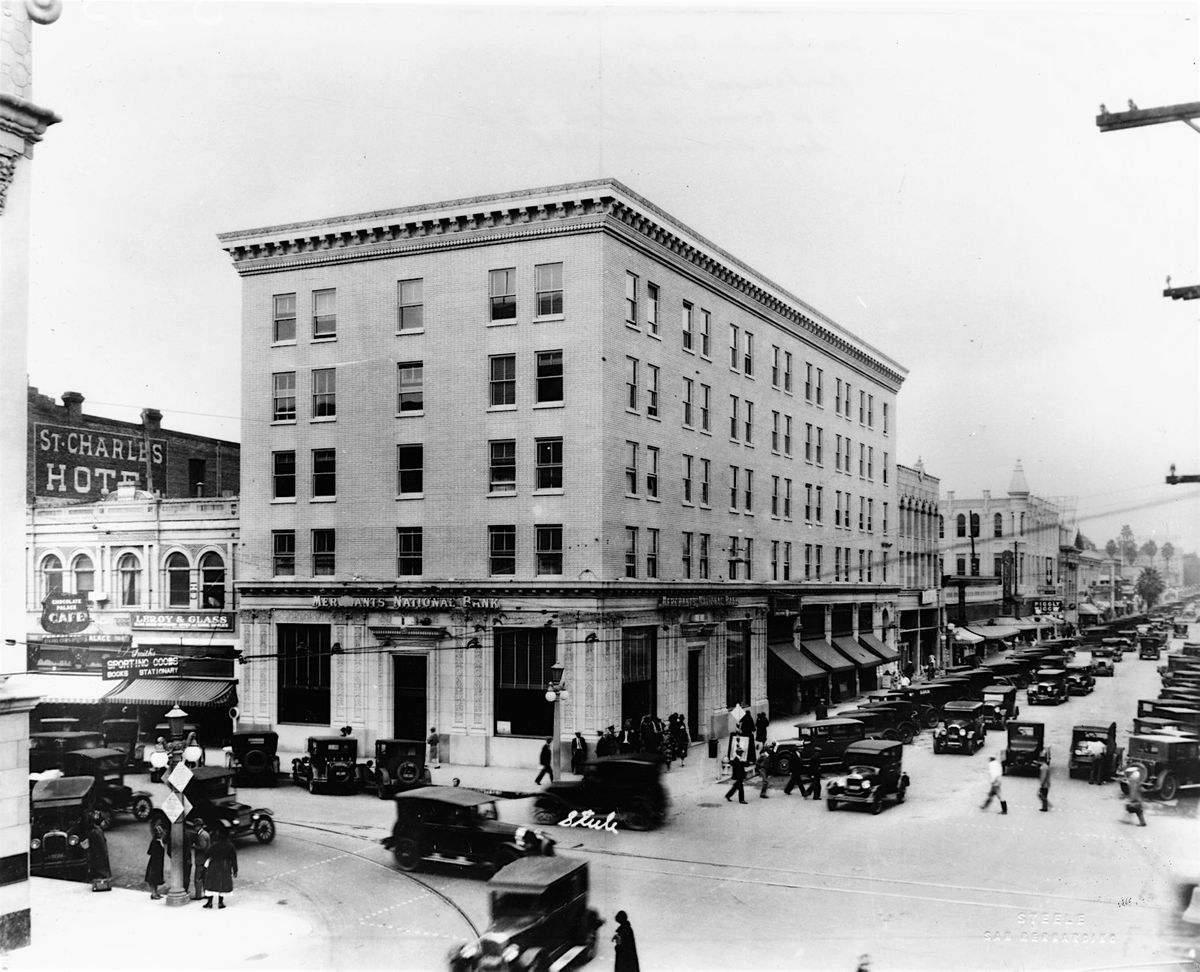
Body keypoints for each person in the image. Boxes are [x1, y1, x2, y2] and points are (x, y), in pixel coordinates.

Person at [202, 826, 237, 909]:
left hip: (214, 865)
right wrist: (235, 870)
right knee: (223, 884)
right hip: (225, 865)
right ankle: (220, 903)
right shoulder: (230, 846)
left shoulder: (215, 845)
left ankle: (209, 902)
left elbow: (207, 854)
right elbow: (233, 859)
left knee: (211, 883)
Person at [85, 811, 112, 892]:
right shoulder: (98, 831)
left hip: (96, 854)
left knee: (97, 868)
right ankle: (103, 882)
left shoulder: (93, 831)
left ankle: (99, 883)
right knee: (101, 868)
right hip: (100, 854)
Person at [145, 822, 167, 899]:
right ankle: (153, 893)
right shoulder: (155, 842)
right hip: (154, 863)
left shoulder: (160, 841)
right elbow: (149, 852)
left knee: (156, 878)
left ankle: (156, 892)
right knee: (152, 878)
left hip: (158, 863)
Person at [192, 818, 212, 900]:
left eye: (195, 826)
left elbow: (202, 847)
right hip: (205, 858)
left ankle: (198, 895)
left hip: (200, 859)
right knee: (205, 878)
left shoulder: (201, 835)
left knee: (198, 878)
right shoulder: (206, 834)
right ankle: (207, 893)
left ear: (198, 826)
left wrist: (194, 846)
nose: (194, 828)